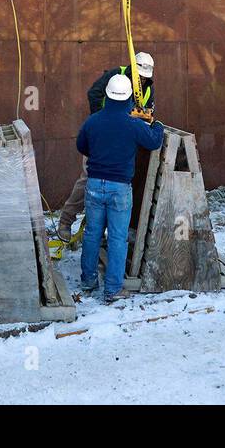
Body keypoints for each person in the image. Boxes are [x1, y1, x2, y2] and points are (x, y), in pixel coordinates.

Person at [77, 73, 164, 301]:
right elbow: (154, 141)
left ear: (107, 96)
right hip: (120, 188)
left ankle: (88, 281)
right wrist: (158, 124)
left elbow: (81, 145)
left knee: (92, 233)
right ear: (127, 99)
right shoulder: (133, 124)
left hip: (94, 184)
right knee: (117, 238)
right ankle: (113, 289)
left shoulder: (93, 121)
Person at [55, 52, 155, 246]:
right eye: (140, 75)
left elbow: (149, 111)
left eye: (145, 76)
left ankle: (98, 233)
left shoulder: (148, 87)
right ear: (133, 68)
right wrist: (103, 121)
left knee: (118, 185)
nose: (142, 79)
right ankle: (66, 221)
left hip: (123, 141)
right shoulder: (116, 76)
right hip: (102, 136)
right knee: (88, 179)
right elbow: (93, 93)